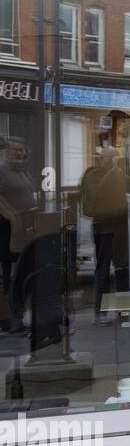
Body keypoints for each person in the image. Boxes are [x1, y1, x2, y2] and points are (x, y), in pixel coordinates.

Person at [79, 147, 130, 324]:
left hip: (120, 228)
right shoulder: (92, 174)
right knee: (103, 271)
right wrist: (111, 175)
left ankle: (124, 311)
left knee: (123, 269)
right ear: (102, 158)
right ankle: (99, 314)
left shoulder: (118, 174)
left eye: (117, 158)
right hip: (103, 228)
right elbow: (97, 194)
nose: (115, 161)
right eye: (112, 158)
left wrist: (128, 170)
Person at [0, 137, 37, 332]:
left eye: (23, 151)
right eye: (17, 150)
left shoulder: (23, 172)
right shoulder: (2, 170)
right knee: (12, 274)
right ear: (7, 152)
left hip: (26, 230)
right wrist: (11, 217)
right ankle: (12, 318)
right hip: (8, 231)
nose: (21, 154)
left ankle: (21, 314)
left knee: (24, 272)